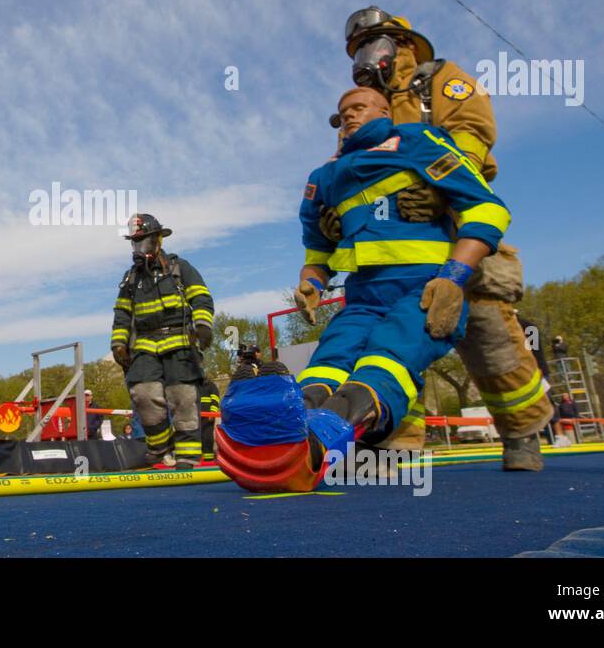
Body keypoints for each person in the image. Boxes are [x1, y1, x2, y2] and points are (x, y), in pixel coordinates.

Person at [216, 87, 512, 492]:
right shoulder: (324, 179)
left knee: (386, 357)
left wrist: (453, 276)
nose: (348, 118)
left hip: (424, 288)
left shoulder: (418, 142)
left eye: (358, 108)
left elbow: (487, 208)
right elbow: (317, 250)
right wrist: (312, 284)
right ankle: (282, 429)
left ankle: (320, 439)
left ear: (385, 110)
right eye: (341, 115)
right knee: (328, 361)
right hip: (362, 296)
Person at [329, 6, 552, 470]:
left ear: (402, 47)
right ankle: (391, 442)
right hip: (393, 251)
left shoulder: (442, 82)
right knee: (387, 342)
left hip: (454, 234)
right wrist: (336, 218)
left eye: (373, 46)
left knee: (491, 336)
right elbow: (345, 177)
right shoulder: (363, 112)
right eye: (359, 51)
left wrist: (436, 189)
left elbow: (472, 133)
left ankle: (522, 432)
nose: (365, 59)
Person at [110, 213, 215, 469]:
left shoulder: (181, 269)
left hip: (179, 343)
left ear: (158, 240)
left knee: (183, 398)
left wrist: (202, 326)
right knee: (142, 393)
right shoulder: (130, 278)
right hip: (145, 345)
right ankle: (160, 446)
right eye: (135, 243)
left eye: (144, 242)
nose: (139, 248)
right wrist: (118, 343)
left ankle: (187, 458)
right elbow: (122, 314)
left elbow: (201, 298)